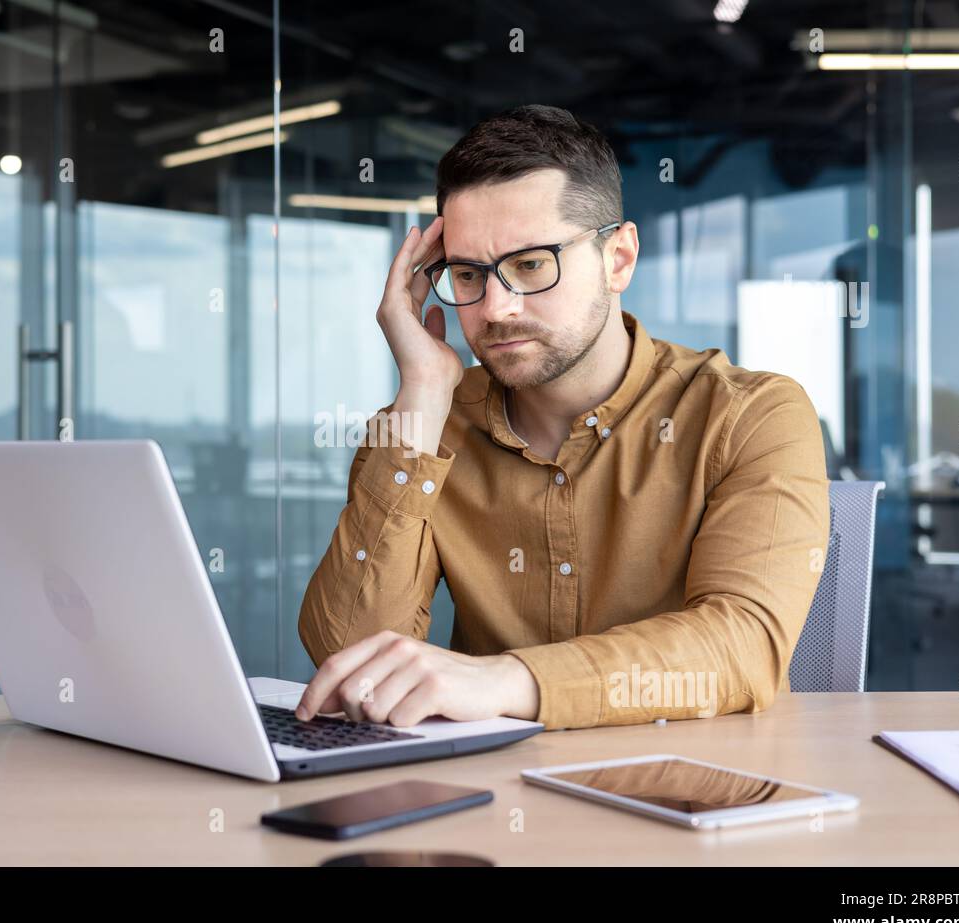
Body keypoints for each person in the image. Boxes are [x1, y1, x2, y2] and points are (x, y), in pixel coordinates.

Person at [295, 104, 830, 731]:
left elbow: (744, 645)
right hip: (490, 798)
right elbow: (349, 662)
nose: (496, 308)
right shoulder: (424, 423)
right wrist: (421, 394)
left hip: (697, 794)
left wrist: (508, 678)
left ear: (619, 259)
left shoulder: (750, 414)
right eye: (468, 274)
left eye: (530, 264)